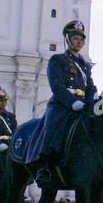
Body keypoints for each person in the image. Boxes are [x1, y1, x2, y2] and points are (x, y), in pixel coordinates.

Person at [32, 21, 96, 187]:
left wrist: (92, 101)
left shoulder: (85, 65)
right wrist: (72, 102)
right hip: (62, 105)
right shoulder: (57, 60)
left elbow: (90, 86)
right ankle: (44, 165)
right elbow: (57, 85)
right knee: (54, 127)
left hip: (83, 106)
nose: (79, 42)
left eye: (81, 39)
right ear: (68, 40)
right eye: (75, 38)